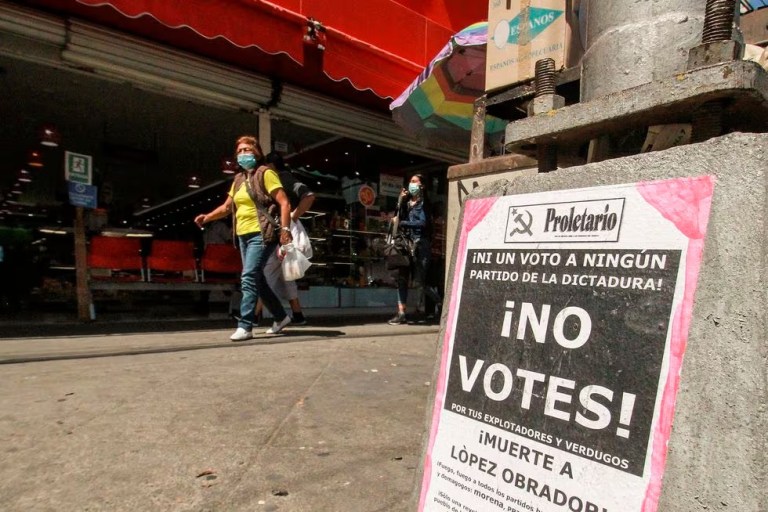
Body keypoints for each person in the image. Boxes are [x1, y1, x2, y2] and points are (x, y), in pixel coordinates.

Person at [194, 135, 294, 341]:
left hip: (263, 232)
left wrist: (285, 229)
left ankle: (245, 325)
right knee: (257, 278)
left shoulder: (265, 173)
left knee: (248, 276)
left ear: (256, 152)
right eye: (239, 151)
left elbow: (284, 203)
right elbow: (227, 207)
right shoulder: (238, 180)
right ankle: (281, 316)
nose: (243, 154)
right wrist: (207, 217)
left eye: (247, 149)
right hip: (243, 234)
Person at [254, 152, 315, 326]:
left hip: (282, 231)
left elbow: (309, 195)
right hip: (287, 230)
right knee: (287, 273)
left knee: (265, 273)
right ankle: (298, 314)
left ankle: (254, 315)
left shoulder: (282, 178)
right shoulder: (284, 177)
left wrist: (293, 216)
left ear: (270, 165)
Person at [388, 174, 441, 325]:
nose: (411, 184)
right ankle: (401, 312)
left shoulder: (424, 204)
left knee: (419, 282)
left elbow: (423, 223)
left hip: (420, 245)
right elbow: (398, 216)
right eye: (410, 182)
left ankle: (442, 303)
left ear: (421, 186)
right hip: (406, 245)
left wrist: (402, 223)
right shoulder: (407, 202)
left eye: (414, 182)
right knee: (402, 279)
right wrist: (400, 200)